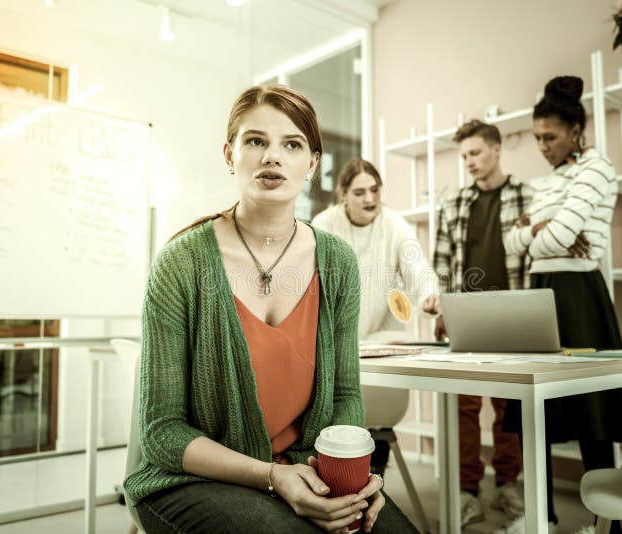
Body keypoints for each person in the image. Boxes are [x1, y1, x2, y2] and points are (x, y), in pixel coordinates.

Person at [123, 85, 418, 534]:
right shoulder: (180, 263)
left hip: (304, 470)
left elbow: (344, 397)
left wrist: (349, 482)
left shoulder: (336, 261)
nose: (272, 157)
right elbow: (162, 433)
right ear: (230, 155)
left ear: (312, 164)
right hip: (192, 481)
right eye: (256, 141)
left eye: (292, 144)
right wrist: (273, 477)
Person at [500, 75, 622, 534]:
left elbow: (548, 237)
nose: (542, 146)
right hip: (541, 290)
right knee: (535, 408)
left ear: (575, 131)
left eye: (550, 137)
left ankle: (608, 525)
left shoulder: (597, 168)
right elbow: (516, 239)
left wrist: (537, 229)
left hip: (580, 296)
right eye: (538, 137)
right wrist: (544, 228)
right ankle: (542, 517)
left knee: (592, 413)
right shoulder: (552, 180)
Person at [311, 157, 439, 477]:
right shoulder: (324, 224)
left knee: (377, 411)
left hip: (381, 333)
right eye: (359, 192)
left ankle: (376, 474)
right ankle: (337, 471)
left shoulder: (394, 224)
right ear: (343, 195)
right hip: (337, 333)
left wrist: (429, 297)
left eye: (374, 190)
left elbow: (417, 268)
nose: (369, 199)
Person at [432, 119, 531, 526]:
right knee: (464, 406)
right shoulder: (454, 204)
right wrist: (442, 308)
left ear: (496, 148)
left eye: (475, 153)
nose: (469, 162)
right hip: (467, 316)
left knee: (510, 409)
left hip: (514, 312)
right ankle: (466, 490)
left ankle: (508, 484)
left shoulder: (527, 196)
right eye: (464, 156)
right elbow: (441, 263)